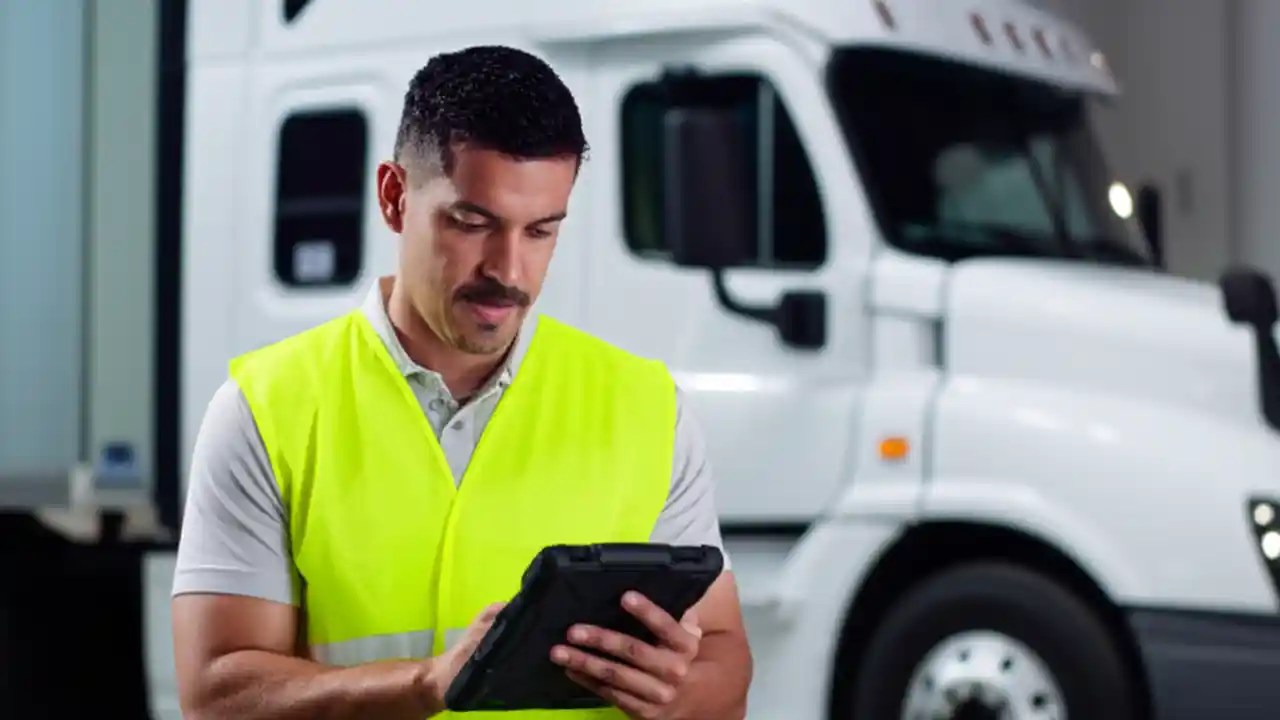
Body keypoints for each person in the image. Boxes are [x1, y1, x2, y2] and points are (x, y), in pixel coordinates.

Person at [170, 44, 752, 720]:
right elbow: (218, 696)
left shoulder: (646, 408)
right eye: (473, 223)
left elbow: (725, 665)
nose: (510, 270)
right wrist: (424, 684)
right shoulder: (266, 410)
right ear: (394, 197)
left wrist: (677, 696)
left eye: (541, 231)